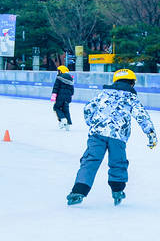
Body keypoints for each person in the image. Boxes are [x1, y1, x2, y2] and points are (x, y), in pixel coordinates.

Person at [66, 69, 156, 206]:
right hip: (118, 136)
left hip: (97, 134)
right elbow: (142, 116)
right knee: (117, 162)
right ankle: (118, 190)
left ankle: (78, 191)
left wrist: (92, 123)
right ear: (132, 83)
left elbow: (88, 109)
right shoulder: (131, 98)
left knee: (90, 160)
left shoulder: (103, 94)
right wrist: (150, 134)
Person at [51, 64, 75, 130]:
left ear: (61, 71)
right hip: (68, 97)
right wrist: (70, 95)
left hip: (60, 96)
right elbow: (72, 89)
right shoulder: (71, 78)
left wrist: (53, 95)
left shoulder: (59, 77)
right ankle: (68, 124)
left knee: (56, 107)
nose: (58, 72)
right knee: (66, 110)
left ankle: (63, 119)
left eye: (59, 71)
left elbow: (56, 87)